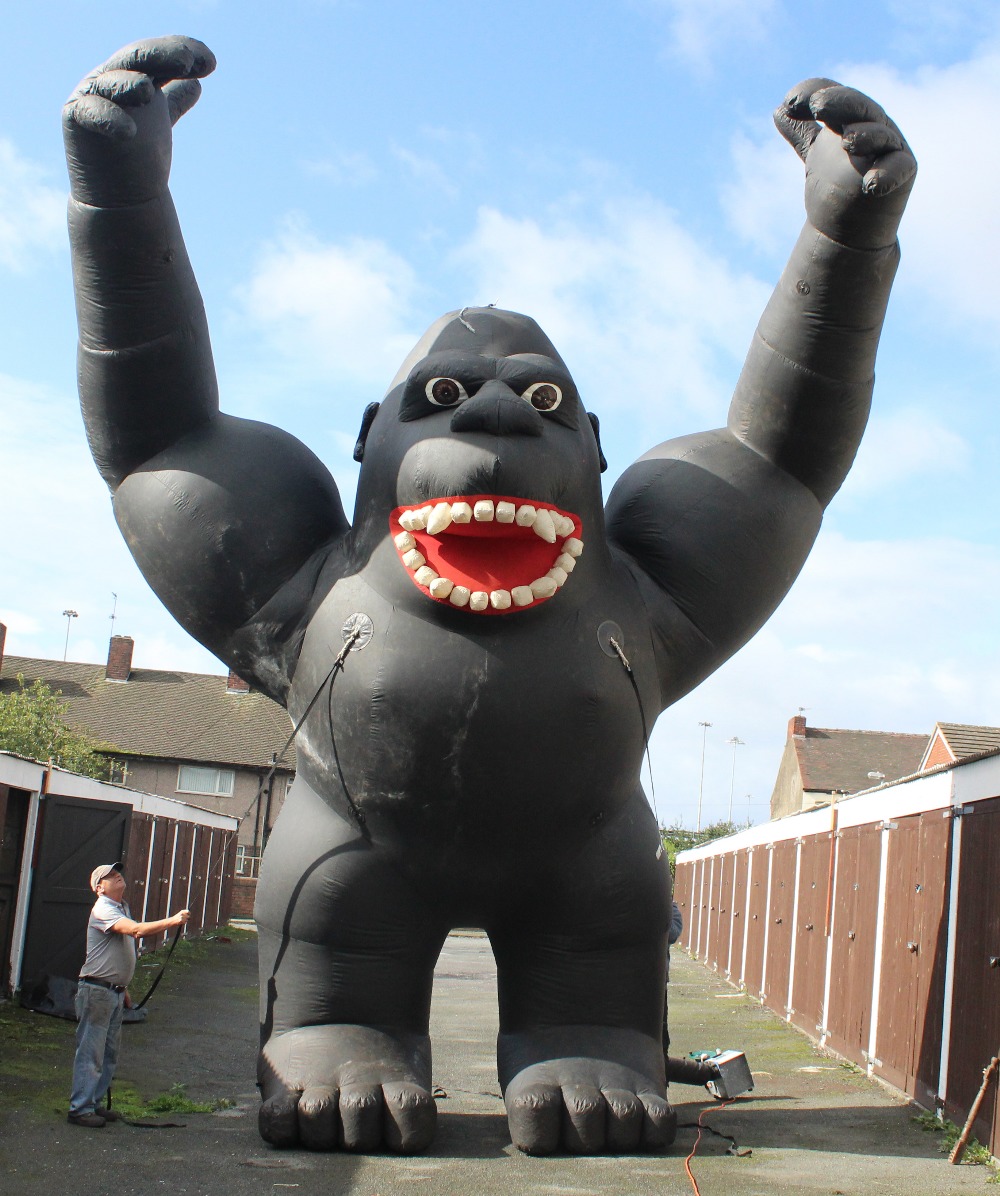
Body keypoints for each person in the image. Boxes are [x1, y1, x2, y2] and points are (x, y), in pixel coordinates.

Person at [67, 862, 190, 1128]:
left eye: (118, 872)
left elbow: (117, 952)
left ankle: (94, 1103)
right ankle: (80, 1108)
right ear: (100, 888)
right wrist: (173, 920)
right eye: (110, 876)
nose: (117, 876)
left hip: (111, 991)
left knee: (109, 1053)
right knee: (91, 1052)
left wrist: (123, 987)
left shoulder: (122, 908)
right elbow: (135, 931)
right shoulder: (103, 910)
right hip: (97, 992)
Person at [662, 900, 683, 1058]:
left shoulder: (669, 907)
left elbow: (673, 933)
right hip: (629, 980)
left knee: (660, 1033)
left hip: (657, 981)